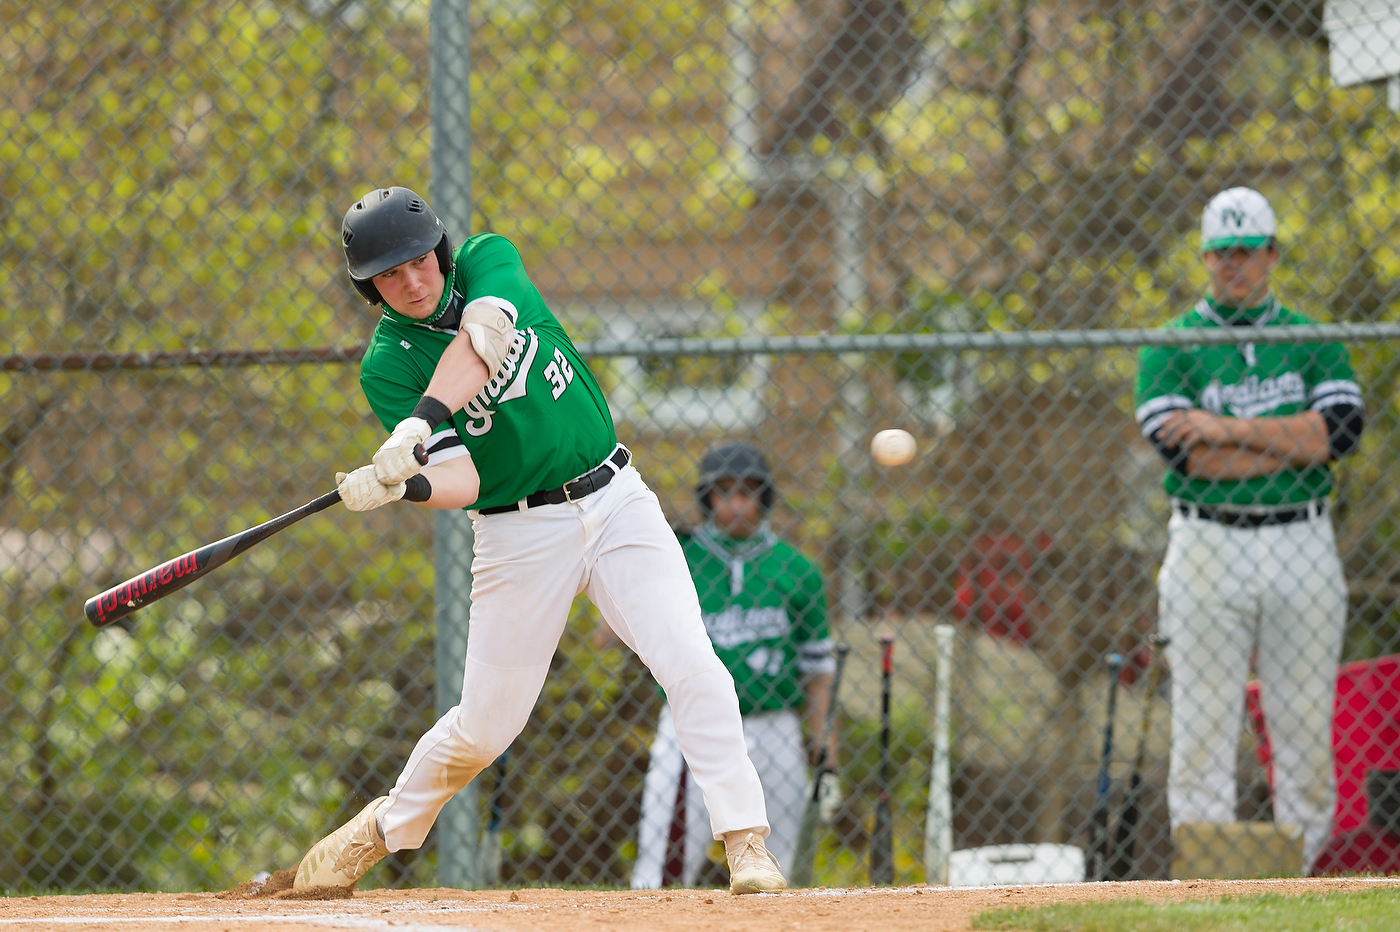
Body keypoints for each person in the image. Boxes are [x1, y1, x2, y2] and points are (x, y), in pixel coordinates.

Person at [293, 186, 786, 894]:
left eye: (416, 262)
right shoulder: (387, 364)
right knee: (485, 730)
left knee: (693, 664)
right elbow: (461, 476)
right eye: (388, 275)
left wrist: (417, 425)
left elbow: (485, 336)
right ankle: (379, 831)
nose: (409, 281)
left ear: (438, 249)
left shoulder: (488, 262)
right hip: (517, 533)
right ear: (369, 288)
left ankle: (745, 843)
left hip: (616, 500)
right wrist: (407, 483)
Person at [1133, 186, 1365, 868]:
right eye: (1221, 253)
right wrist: (1289, 440)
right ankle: (1206, 879)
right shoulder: (1171, 345)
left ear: (1272, 254)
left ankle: (1303, 879)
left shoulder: (1312, 338)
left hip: (1302, 536)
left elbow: (1340, 435)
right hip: (1208, 540)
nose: (1235, 265)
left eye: (1248, 251)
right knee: (1203, 720)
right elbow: (1188, 456)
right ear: (1205, 257)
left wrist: (1228, 428)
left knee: (1302, 720)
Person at [628, 442, 837, 889]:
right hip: (692, 723)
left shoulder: (797, 570)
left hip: (775, 726)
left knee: (774, 871)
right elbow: (612, 633)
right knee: (663, 868)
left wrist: (826, 754)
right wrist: (642, 557)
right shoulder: (680, 559)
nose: (736, 504)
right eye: (723, 493)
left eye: (747, 492)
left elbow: (818, 675)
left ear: (764, 498)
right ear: (708, 500)